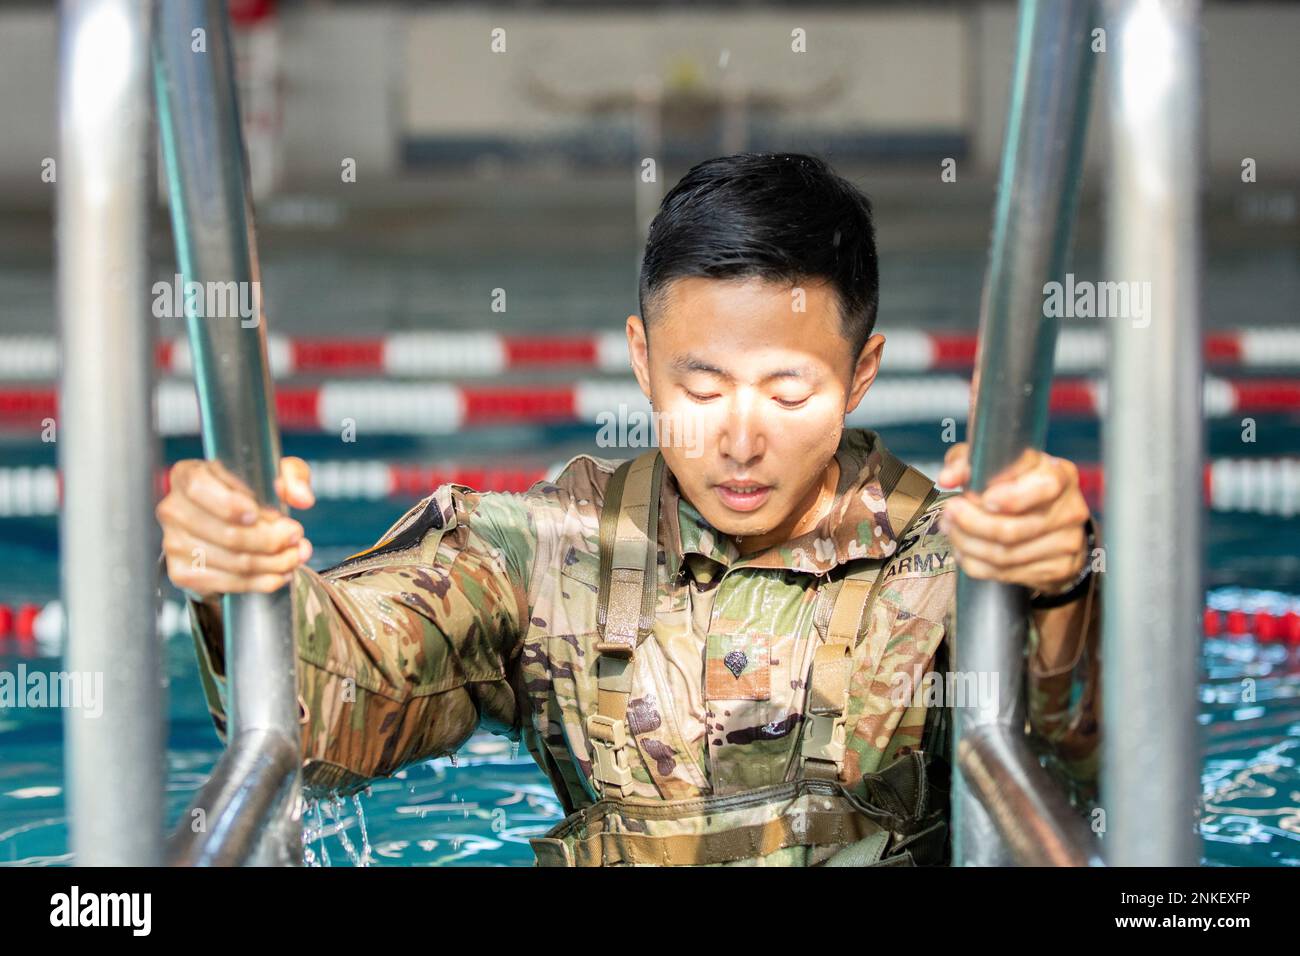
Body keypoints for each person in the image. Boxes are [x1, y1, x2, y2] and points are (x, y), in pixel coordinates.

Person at [157, 153, 1101, 866]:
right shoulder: (548, 550)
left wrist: (1057, 587)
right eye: (701, 388)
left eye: (787, 391)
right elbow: (333, 714)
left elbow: (1096, 781)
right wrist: (243, 579)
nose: (740, 438)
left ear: (861, 375)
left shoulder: (942, 563)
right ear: (643, 361)